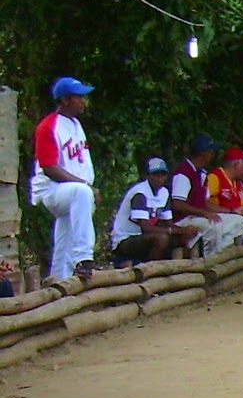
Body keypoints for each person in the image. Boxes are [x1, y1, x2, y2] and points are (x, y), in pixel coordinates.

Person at [30, 76, 97, 283]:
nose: (83, 100)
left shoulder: (76, 124)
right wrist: (85, 186)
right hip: (52, 190)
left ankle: (59, 283)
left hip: (71, 193)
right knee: (81, 193)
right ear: (66, 100)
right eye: (79, 96)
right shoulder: (48, 126)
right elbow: (50, 168)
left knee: (65, 241)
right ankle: (84, 259)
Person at [110, 157, 197, 264]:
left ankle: (180, 266)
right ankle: (151, 267)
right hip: (127, 238)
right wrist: (175, 231)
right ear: (147, 176)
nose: (159, 179)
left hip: (145, 237)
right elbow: (146, 228)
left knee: (186, 236)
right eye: (155, 175)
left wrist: (185, 230)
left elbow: (168, 223)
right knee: (161, 238)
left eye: (163, 175)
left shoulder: (164, 193)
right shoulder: (140, 193)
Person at [172, 135, 243, 255]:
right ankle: (210, 259)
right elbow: (177, 204)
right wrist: (203, 213)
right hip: (184, 219)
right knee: (213, 226)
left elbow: (205, 202)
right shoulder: (184, 173)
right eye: (211, 152)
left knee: (238, 221)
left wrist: (230, 211)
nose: (212, 155)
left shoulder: (202, 173)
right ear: (203, 153)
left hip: (198, 216)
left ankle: (222, 255)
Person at [204, 147, 243, 247]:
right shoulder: (215, 177)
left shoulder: (238, 182)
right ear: (236, 164)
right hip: (216, 219)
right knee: (238, 222)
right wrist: (231, 211)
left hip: (233, 221)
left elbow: (242, 206)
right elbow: (203, 203)